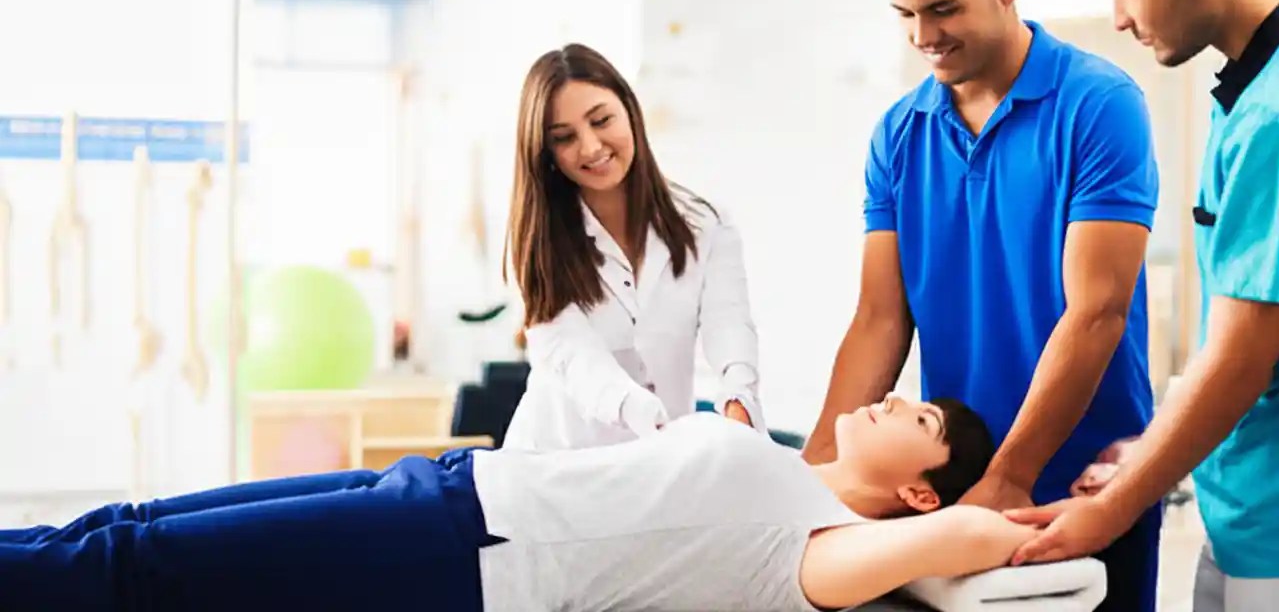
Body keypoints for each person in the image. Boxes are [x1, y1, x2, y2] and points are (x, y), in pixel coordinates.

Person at [799, 0, 1162, 609]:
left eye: (943, 10)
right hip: (950, 493)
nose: (922, 36)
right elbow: (879, 318)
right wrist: (811, 473)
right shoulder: (898, 135)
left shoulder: (1098, 105)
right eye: (905, 15)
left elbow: (1096, 313)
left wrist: (1011, 475)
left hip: (1086, 484)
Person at [0, 394, 1030, 611]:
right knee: (123, 528)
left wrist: (1056, 510)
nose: (894, 395)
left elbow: (973, 530)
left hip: (462, 554)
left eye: (921, 417)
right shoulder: (776, 458)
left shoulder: (826, 548)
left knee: (128, 574)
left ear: (915, 486)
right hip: (449, 485)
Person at [1006, 0, 1279, 610]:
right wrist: (1153, 451)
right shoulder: (1245, 96)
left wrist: (1117, 505)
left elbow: (1245, 356)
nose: (1121, 18)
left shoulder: (1275, 115)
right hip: (1242, 514)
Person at [501, 43, 765, 451]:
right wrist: (642, 414)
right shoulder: (539, 240)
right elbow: (573, 356)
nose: (591, 147)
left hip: (660, 465)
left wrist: (738, 397)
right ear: (546, 152)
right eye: (564, 137)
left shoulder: (704, 223)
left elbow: (728, 323)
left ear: (629, 109)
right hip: (558, 464)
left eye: (601, 120)